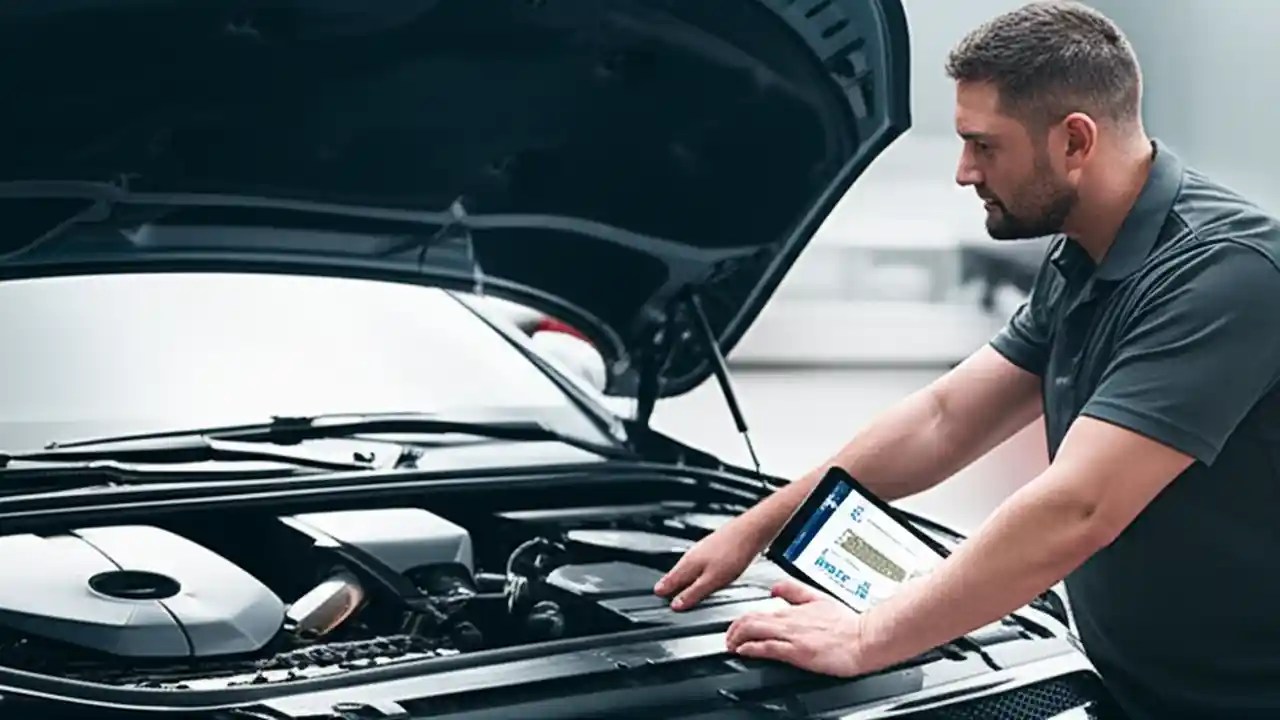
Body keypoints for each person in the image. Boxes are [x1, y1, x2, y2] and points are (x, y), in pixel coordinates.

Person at [653, 2, 1280, 718]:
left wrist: (867, 636)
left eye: (984, 145)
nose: (962, 171)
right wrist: (757, 525)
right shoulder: (1084, 253)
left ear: (1076, 141)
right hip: (1140, 690)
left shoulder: (1228, 273)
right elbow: (945, 419)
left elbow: (1078, 508)